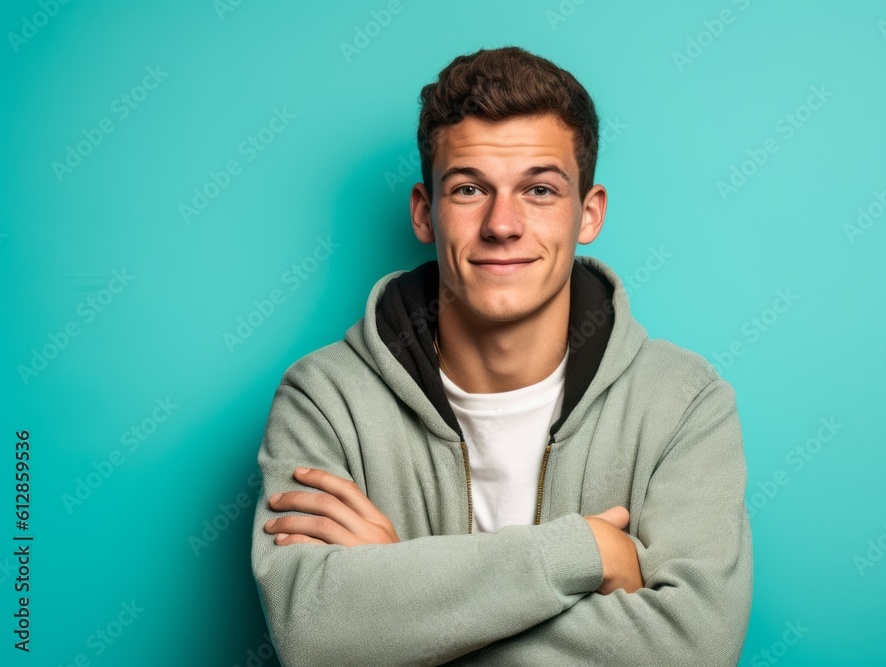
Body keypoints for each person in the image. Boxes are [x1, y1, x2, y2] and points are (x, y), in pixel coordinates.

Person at [251, 45, 752, 666]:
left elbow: (694, 648)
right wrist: (586, 551)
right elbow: (315, 639)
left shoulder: (682, 402)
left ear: (588, 213)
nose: (502, 224)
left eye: (539, 189)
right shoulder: (325, 400)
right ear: (424, 212)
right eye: (468, 189)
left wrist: (399, 601)